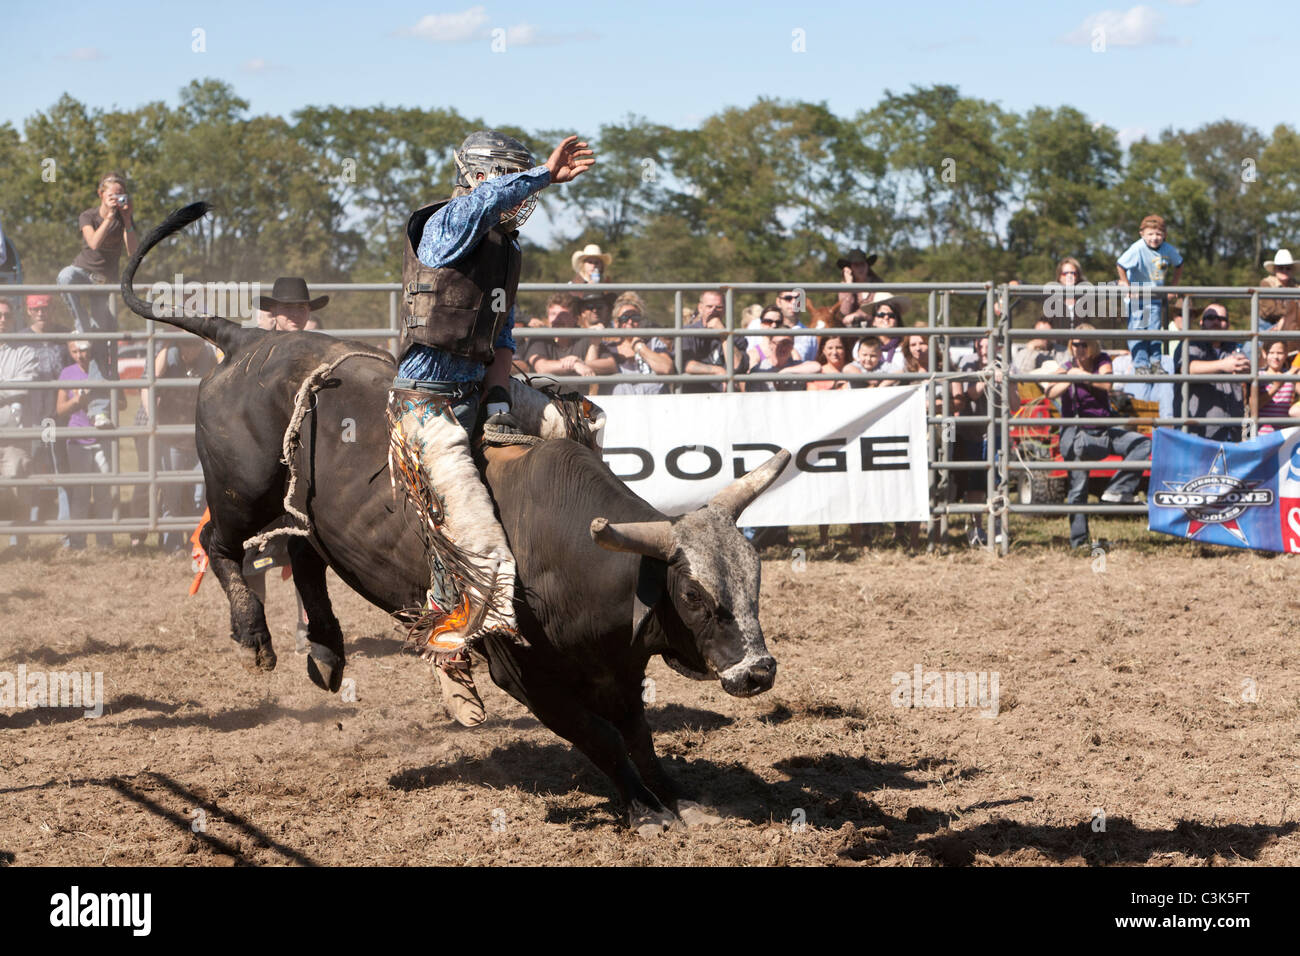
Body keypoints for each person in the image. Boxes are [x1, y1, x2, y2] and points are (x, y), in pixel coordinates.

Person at [390, 130, 594, 727]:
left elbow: (501, 341)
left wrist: (502, 404)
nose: (519, 191)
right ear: (480, 177)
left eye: (521, 177)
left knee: (580, 421)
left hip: (481, 390)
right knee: (470, 530)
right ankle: (449, 656)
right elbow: (480, 206)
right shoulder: (448, 225)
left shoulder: (506, 248)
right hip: (425, 403)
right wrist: (546, 177)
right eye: (508, 176)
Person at [1046, 324, 1151, 549]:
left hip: (1102, 432)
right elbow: (1050, 391)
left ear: (1093, 345)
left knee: (1142, 444)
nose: (1079, 348)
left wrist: (1081, 375)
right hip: (1077, 436)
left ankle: (1117, 490)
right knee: (1078, 490)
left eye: (1084, 343)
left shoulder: (1102, 361)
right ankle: (1079, 542)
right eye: (1075, 344)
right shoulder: (1066, 367)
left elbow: (1105, 383)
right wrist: (1070, 377)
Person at [57, 172, 139, 428]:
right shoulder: (89, 215)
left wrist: (126, 221)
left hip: (105, 283)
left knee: (101, 349)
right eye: (112, 194)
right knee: (65, 276)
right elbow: (92, 243)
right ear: (101, 194)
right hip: (82, 272)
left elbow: (134, 253)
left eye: (120, 194)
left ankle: (100, 411)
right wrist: (109, 218)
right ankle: (83, 327)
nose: (116, 199)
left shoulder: (124, 218)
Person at [154, 336, 216, 551]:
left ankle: (199, 543)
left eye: (195, 344)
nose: (191, 349)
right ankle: (171, 543)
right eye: (186, 343)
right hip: (173, 438)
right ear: (178, 344)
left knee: (202, 495)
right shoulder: (168, 359)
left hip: (200, 438)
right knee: (172, 493)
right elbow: (151, 381)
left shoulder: (208, 358)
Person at [56, 340, 115, 547]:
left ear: (90, 348)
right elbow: (60, 409)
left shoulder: (103, 369)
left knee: (103, 493)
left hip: (101, 439)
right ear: (70, 352)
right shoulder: (67, 373)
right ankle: (78, 542)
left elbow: (122, 401)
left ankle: (105, 541)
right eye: (75, 351)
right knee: (80, 494)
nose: (80, 355)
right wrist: (76, 401)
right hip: (78, 440)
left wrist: (107, 405)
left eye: (83, 350)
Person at [1117, 214, 1182, 374]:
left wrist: (1173, 287)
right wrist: (1126, 283)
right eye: (1150, 234)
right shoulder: (1138, 248)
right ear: (1142, 234)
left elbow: (1179, 264)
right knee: (1138, 330)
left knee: (1154, 330)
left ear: (1164, 235)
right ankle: (1140, 364)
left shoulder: (1167, 249)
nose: (1155, 238)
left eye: (1159, 234)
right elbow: (1121, 264)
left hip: (1155, 296)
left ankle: (1155, 362)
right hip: (1138, 296)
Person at [1173, 303, 1247, 442]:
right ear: (1201, 322)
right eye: (1211, 317)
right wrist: (1223, 365)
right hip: (1198, 435)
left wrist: (1247, 369)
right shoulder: (1190, 343)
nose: (1216, 321)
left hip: (1233, 434)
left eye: (1221, 319)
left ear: (1228, 324)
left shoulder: (1235, 346)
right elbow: (1186, 368)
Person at [0, 301, 37, 543]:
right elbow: (15, 387)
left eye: (7, 315)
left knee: (17, 485)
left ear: (14, 319)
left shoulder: (25, 350)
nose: (3, 320)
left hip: (14, 433)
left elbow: (25, 385)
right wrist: (8, 387)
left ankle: (20, 544)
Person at [522, 292, 604, 379]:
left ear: (575, 319)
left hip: (578, 392)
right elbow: (541, 367)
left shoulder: (584, 337)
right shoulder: (539, 337)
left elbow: (611, 365)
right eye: (553, 314)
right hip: (545, 392)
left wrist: (594, 346)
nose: (557, 319)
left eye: (563, 314)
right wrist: (574, 365)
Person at [605, 291, 672, 396]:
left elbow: (666, 368)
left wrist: (640, 347)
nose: (630, 322)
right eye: (624, 318)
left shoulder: (653, 343)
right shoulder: (609, 348)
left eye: (635, 318)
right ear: (616, 323)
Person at [682, 290, 747, 392]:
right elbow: (685, 364)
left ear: (725, 309)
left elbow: (737, 366)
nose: (714, 311)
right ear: (700, 308)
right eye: (709, 306)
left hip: (727, 397)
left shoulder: (736, 336)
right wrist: (717, 371)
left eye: (719, 307)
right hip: (695, 397)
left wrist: (724, 334)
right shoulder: (687, 333)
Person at [1255, 340, 1296, 433]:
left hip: (1285, 434)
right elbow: (1254, 406)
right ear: (1264, 354)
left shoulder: (1291, 375)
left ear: (1286, 354)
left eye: (1280, 353)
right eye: (1271, 353)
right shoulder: (1258, 375)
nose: (1276, 357)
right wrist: (1276, 387)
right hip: (1261, 433)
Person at [835, 248, 882, 321]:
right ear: (850, 268)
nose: (860, 268)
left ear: (867, 266)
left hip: (875, 328)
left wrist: (858, 315)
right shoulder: (844, 285)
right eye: (856, 265)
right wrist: (849, 286)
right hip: (851, 330)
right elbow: (845, 311)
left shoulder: (878, 283)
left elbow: (882, 308)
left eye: (862, 264)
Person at [1259, 249, 1299, 331]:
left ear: (1292, 270)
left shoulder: (1297, 285)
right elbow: (1269, 310)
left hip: (1293, 323)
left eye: (1288, 268)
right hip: (1267, 324)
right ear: (1275, 269)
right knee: (1252, 343)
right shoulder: (1266, 283)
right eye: (1281, 268)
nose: (1284, 271)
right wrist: (1292, 312)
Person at [773, 288, 818, 362]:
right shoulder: (761, 327)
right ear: (778, 302)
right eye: (788, 298)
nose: (794, 302)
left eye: (798, 299)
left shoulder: (810, 336)